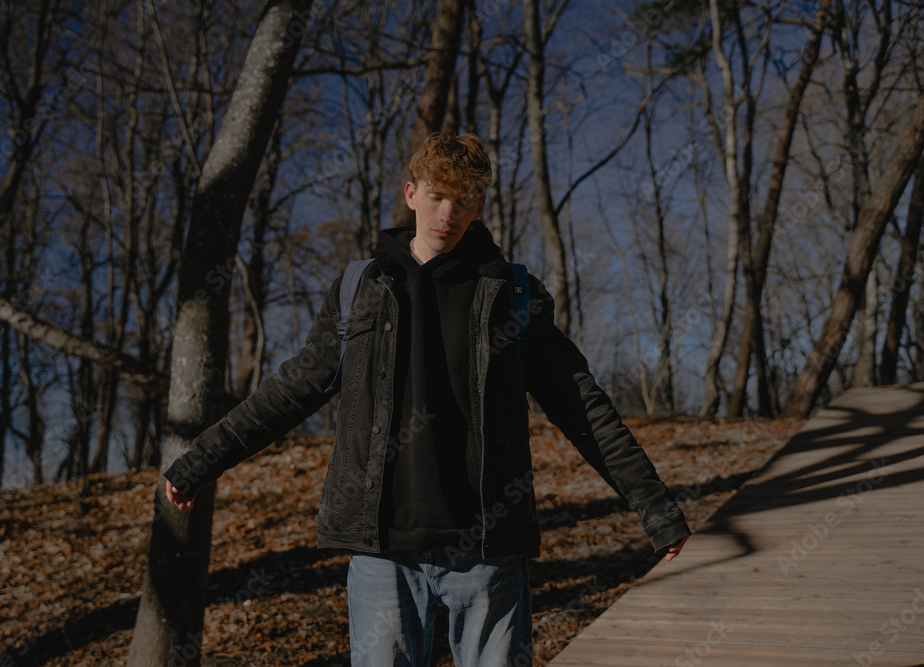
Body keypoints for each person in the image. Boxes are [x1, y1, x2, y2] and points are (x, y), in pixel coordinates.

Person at [164, 132, 690, 666]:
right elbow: (291, 390)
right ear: (412, 193)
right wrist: (200, 460)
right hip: (383, 552)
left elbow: (583, 405)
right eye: (438, 195)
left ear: (479, 206)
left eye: (464, 199)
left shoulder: (512, 293)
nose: (449, 212)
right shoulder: (360, 288)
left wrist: (656, 509)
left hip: (486, 549)